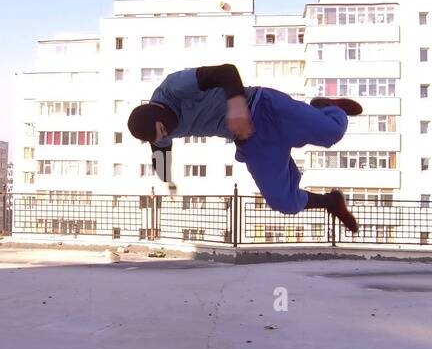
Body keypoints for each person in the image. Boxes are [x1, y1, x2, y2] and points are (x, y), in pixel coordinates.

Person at [127, 63, 360, 232]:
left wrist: (237, 105)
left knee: (332, 132)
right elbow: (161, 153)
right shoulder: (158, 132)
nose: (167, 133)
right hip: (252, 139)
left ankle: (328, 107)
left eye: (163, 128)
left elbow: (226, 72)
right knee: (284, 202)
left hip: (264, 107)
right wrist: (167, 180)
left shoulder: (173, 87)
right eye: (161, 135)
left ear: (158, 110)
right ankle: (332, 202)